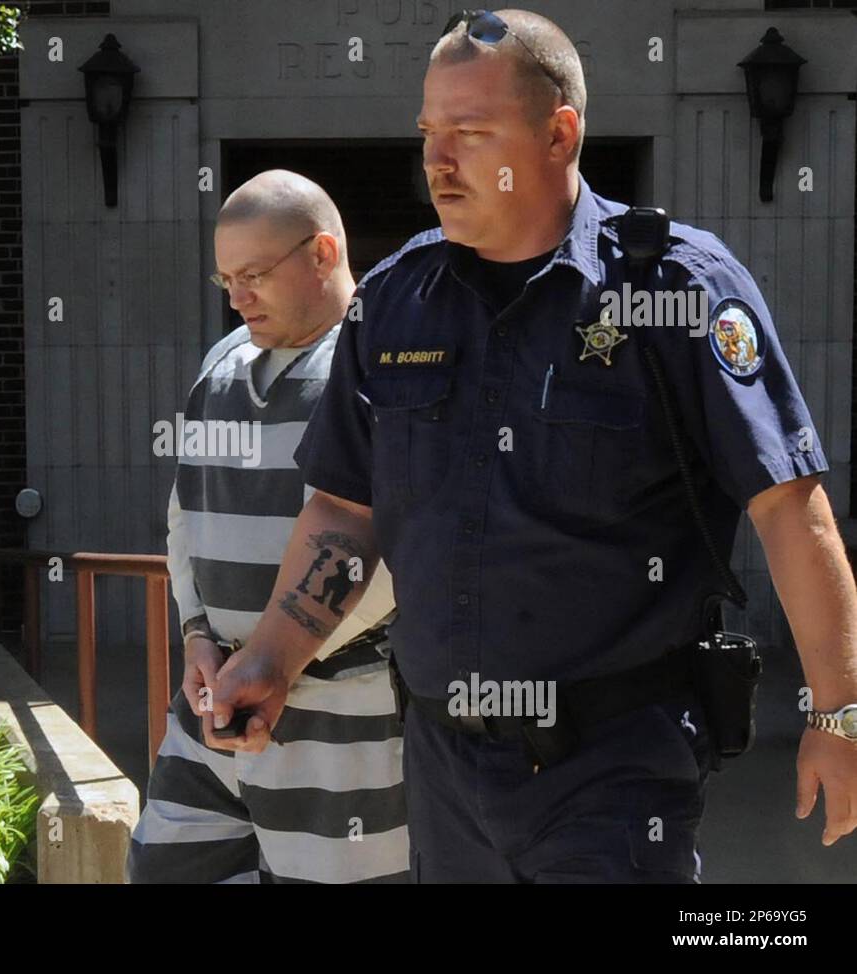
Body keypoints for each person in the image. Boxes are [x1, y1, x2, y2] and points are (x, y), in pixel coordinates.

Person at [208, 9, 857, 882]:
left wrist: (840, 715)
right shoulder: (397, 299)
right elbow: (344, 506)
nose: (437, 161)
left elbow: (789, 507)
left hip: (614, 771)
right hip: (441, 770)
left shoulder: (672, 289)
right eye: (429, 133)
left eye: (470, 133)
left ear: (559, 135)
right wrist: (271, 657)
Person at [126, 170, 408, 883]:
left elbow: (393, 543)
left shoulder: (387, 360)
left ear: (323, 252)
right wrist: (197, 638)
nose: (238, 297)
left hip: (344, 712)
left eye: (254, 274)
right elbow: (185, 514)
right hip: (213, 704)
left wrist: (275, 658)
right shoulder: (222, 360)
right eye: (226, 280)